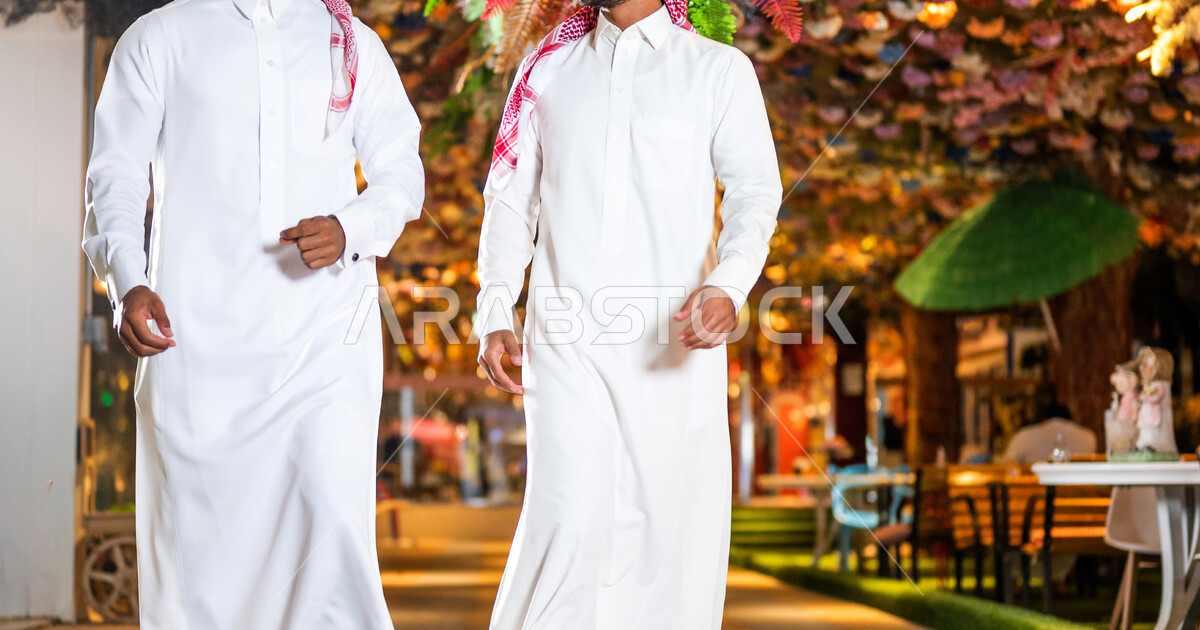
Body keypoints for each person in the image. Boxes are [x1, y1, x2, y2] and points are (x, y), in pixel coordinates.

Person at [82, 0, 424, 627]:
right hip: (195, 338)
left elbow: (401, 169)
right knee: (204, 558)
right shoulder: (160, 37)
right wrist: (128, 280)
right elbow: (116, 176)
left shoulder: (349, 41)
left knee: (328, 512)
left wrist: (351, 227)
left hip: (325, 335)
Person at [474, 0, 781, 625]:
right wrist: (495, 308)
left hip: (674, 344)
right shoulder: (546, 71)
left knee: (663, 529)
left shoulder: (718, 69)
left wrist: (729, 285)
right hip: (563, 339)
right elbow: (509, 202)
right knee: (568, 516)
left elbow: (755, 191)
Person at [1001, 402, 1098, 464]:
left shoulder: (1024, 435)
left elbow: (1007, 464)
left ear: (1044, 418)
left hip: (1035, 488)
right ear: (1070, 418)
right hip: (1080, 488)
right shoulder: (1089, 436)